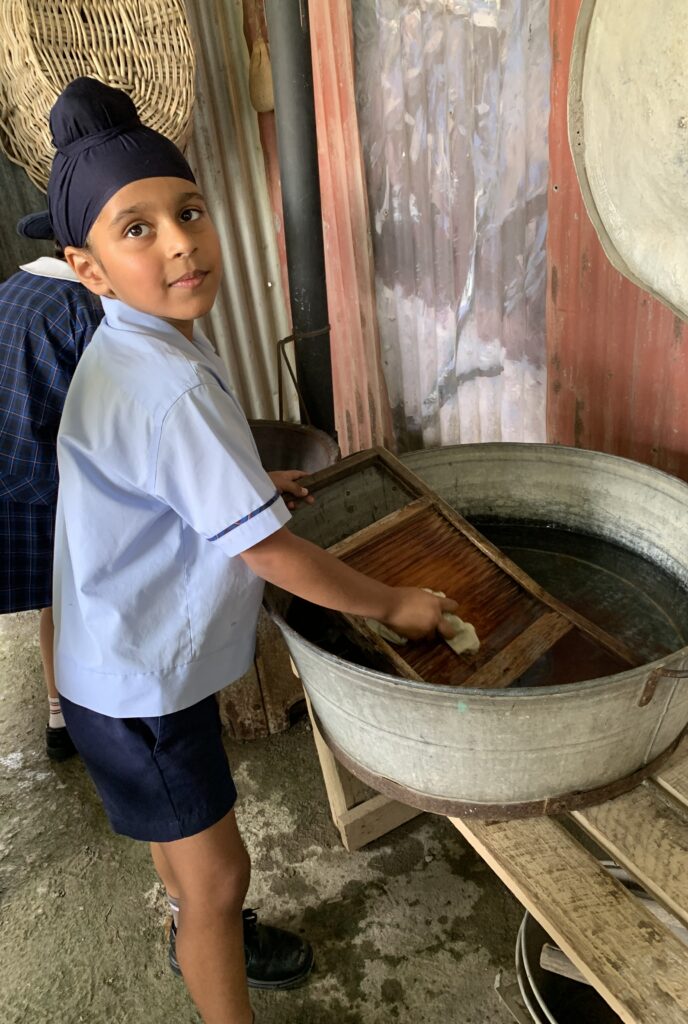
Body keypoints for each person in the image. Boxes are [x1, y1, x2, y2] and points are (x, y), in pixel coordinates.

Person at [48, 77, 457, 1024]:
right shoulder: (169, 386)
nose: (181, 239)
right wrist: (394, 601)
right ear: (90, 268)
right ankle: (208, 937)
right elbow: (272, 556)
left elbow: (156, 487)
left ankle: (190, 921)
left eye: (187, 210)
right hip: (140, 686)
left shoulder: (139, 346)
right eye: (137, 228)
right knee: (224, 877)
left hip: (110, 663)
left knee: (185, 852)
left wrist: (249, 486)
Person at [0, 237, 102, 760]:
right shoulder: (82, 306)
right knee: (91, 598)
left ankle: (59, 716)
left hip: (15, 475)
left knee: (53, 599)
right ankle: (112, 720)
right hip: (62, 482)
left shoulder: (12, 290)